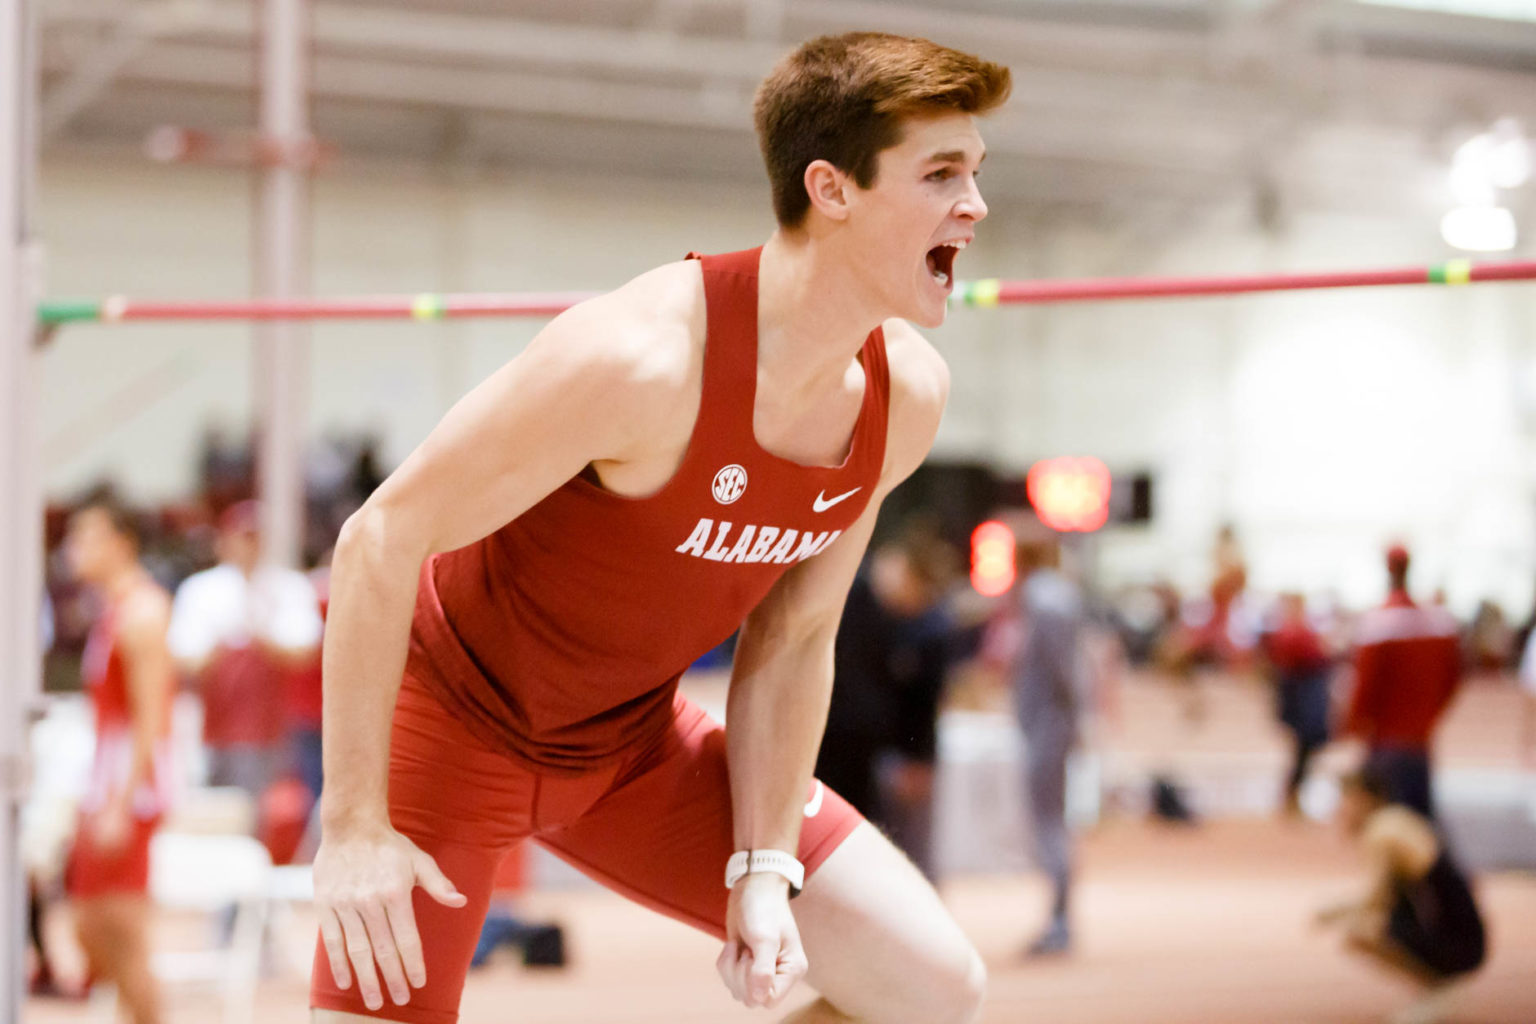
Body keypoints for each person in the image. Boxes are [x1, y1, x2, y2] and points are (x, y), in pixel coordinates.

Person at [311, 32, 1009, 1024]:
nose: (975, 205)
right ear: (831, 188)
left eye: (976, 172)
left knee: (932, 985)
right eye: (941, 174)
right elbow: (378, 537)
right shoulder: (640, 358)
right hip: (449, 729)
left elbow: (796, 632)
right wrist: (352, 824)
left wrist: (763, 864)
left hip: (632, 750)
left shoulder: (906, 399)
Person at [61, 493, 177, 1024]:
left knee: (121, 931)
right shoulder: (111, 610)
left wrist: (121, 803)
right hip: (106, 780)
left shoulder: (142, 613)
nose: (73, 549)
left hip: (131, 787)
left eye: (86, 537)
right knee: (89, 925)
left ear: (120, 543)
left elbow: (152, 717)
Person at [816, 528, 957, 880]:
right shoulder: (850, 594)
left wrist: (917, 754)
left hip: (865, 750)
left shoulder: (899, 617)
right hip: (829, 743)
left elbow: (917, 697)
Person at [167, 500, 322, 802]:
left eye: (255, 537)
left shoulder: (289, 587)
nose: (249, 546)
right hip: (212, 727)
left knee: (268, 807)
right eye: (243, 537)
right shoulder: (201, 590)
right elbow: (184, 659)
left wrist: (260, 636)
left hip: (277, 729)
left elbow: (305, 652)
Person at [1316, 765, 1486, 1024]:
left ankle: (1441, 988)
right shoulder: (1392, 820)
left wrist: (1332, 912)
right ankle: (1438, 987)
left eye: (1345, 800)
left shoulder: (1383, 830)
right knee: (1367, 925)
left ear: (1364, 799)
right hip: (1462, 936)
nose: (1339, 809)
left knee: (1361, 930)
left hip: (1460, 944)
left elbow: (1377, 899)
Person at [1008, 516, 1088, 957]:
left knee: (1049, 823)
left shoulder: (1045, 598)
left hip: (1049, 725)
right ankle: (1059, 917)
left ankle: (1060, 920)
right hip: (1049, 722)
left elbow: (1064, 671)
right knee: (1052, 821)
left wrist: (1074, 722)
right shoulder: (1052, 595)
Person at [1343, 545, 1462, 820]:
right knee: (1419, 823)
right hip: (1418, 742)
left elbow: (1365, 687)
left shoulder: (1379, 625)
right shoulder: (1435, 625)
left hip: (1386, 741)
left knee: (1388, 824)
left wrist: (1353, 725)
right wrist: (1428, 716)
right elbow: (1451, 679)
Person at [1262, 593, 1333, 816]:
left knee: (1305, 748)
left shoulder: (1298, 631)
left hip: (1304, 695)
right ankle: (1291, 794)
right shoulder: (1291, 633)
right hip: (1302, 696)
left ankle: (1293, 794)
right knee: (1304, 746)